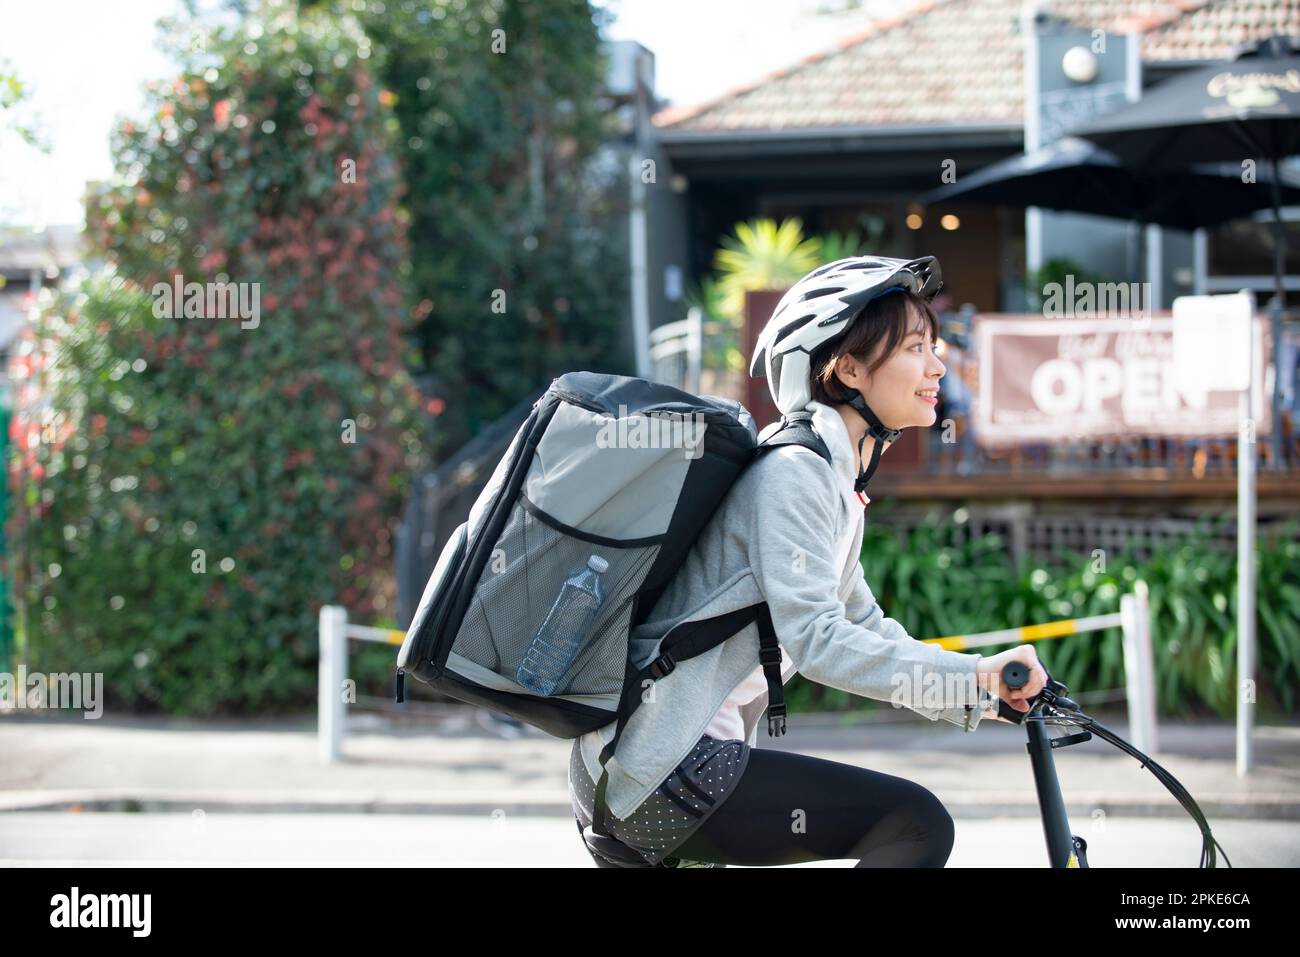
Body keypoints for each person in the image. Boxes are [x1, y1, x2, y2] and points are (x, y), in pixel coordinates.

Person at [569, 255, 1047, 868]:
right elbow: (819, 641)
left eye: (934, 346)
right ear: (848, 369)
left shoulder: (831, 477)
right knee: (915, 824)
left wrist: (980, 687)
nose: (937, 363)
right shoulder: (794, 473)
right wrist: (974, 680)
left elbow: (862, 624)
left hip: (643, 769)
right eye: (914, 347)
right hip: (659, 769)